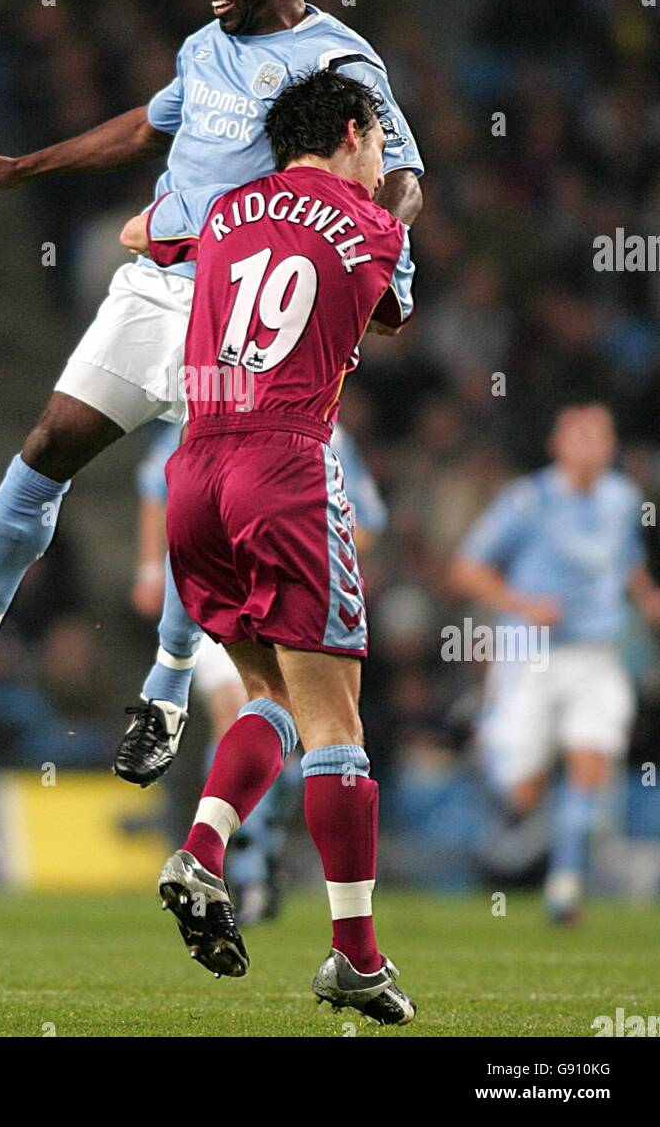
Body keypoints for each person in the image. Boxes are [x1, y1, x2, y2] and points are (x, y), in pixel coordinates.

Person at [0, 0, 423, 768]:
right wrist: (26, 165)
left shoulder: (338, 59)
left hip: (235, 301)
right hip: (149, 287)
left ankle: (166, 694)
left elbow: (400, 173)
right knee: (49, 443)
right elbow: (145, 128)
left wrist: (371, 263)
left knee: (197, 489)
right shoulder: (203, 47)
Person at [120, 68, 416, 1024]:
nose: (381, 164)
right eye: (376, 144)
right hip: (285, 463)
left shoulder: (228, 201)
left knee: (267, 695)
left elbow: (141, 235)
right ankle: (355, 957)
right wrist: (401, 208)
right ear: (355, 131)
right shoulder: (372, 221)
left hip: (194, 466)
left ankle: (203, 846)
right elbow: (388, 310)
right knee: (339, 727)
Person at [131, 417, 388, 924]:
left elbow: (366, 524)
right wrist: (148, 568)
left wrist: (323, 560)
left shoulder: (329, 438)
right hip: (232, 580)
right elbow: (154, 490)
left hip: (275, 581)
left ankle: (240, 854)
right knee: (275, 714)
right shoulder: (223, 416)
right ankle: (244, 871)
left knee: (288, 718)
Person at [450, 403, 660, 922]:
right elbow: (466, 567)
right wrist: (524, 604)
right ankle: (494, 742)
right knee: (521, 788)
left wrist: (648, 597)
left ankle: (564, 887)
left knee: (591, 763)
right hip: (531, 652)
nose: (590, 445)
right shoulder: (529, 500)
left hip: (597, 651)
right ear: (558, 444)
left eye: (600, 435)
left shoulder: (622, 498)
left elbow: (626, 561)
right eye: (580, 435)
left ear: (611, 445)